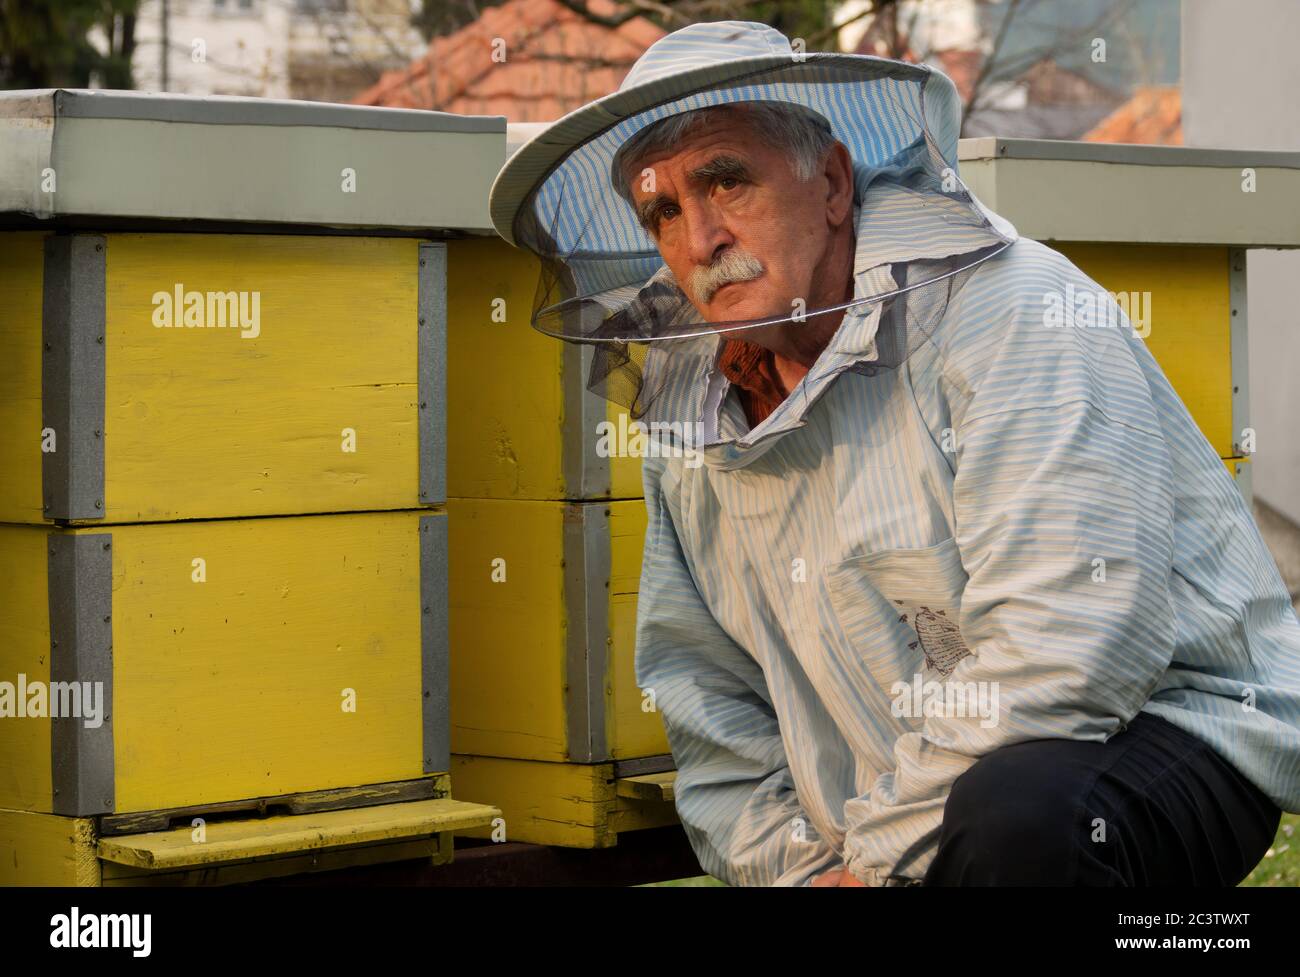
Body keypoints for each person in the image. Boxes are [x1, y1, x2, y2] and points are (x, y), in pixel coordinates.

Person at [487, 21, 1298, 886]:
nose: (701, 240)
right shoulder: (693, 418)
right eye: (664, 212)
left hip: (1167, 729)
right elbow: (713, 715)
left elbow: (1069, 646)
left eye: (726, 181)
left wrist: (873, 860)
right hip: (905, 806)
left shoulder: (1013, 312)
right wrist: (801, 875)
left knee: (1020, 820)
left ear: (833, 182)